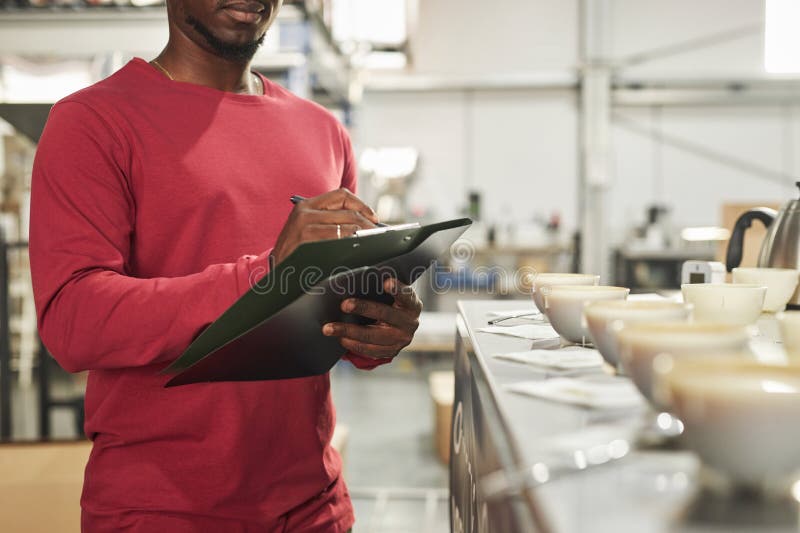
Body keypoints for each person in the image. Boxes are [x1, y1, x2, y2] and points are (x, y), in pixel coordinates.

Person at [29, 0, 422, 530]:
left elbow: (324, 312)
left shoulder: (324, 133)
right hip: (163, 511)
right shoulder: (92, 122)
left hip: (312, 506)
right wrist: (265, 276)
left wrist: (376, 327)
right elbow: (73, 322)